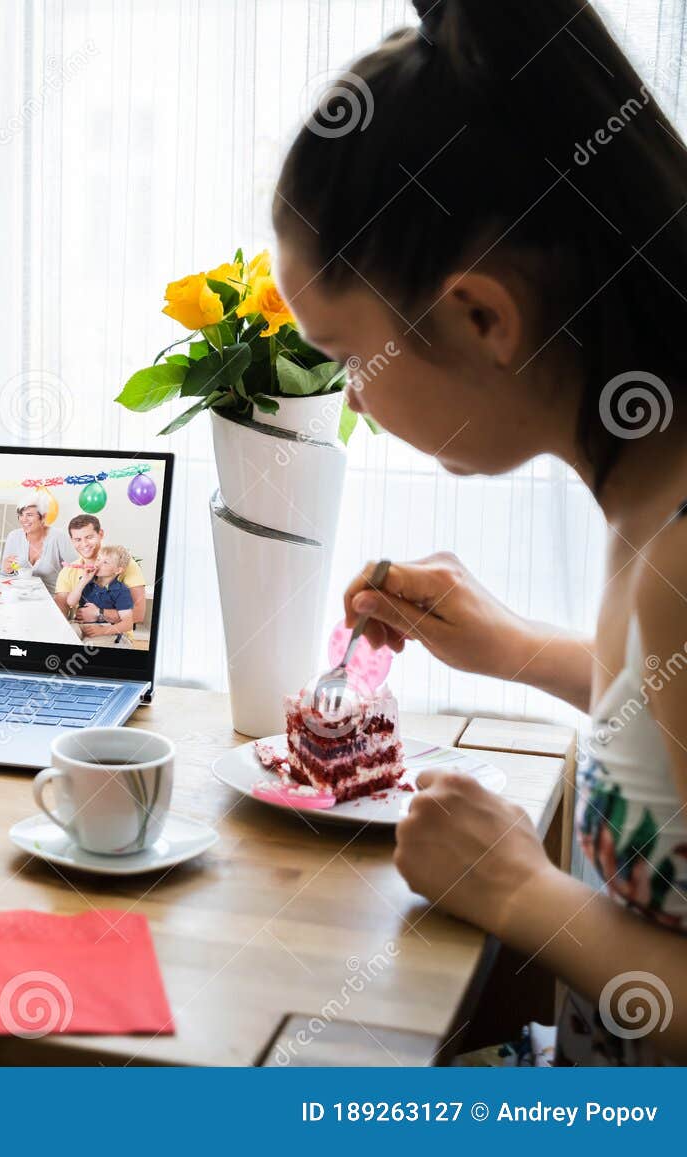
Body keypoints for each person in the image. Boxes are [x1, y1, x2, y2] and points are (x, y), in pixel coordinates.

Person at [273, 0, 687, 1062]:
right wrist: (514, 648)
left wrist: (512, 885)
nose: (353, 405)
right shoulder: (652, 479)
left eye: (344, 353)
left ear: (480, 317)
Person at [53, 514, 147, 639]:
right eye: (78, 539)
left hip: (113, 634)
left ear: (100, 534)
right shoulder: (69, 572)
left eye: (89, 537)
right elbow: (63, 609)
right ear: (72, 541)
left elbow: (138, 615)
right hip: (81, 630)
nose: (84, 544)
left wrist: (99, 614)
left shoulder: (126, 566)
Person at [64, 544, 135, 645]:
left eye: (105, 562)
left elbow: (127, 624)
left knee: (91, 644)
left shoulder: (121, 591)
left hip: (105, 630)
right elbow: (70, 602)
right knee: (65, 635)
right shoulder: (86, 581)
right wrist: (84, 581)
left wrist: (102, 630)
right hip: (80, 625)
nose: (98, 564)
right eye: (98, 559)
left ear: (118, 570)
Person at [0, 503, 73, 589]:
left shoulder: (59, 537)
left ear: (43, 517)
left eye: (29, 515)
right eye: (21, 515)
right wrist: (7, 571)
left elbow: (76, 571)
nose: (23, 519)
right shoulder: (14, 536)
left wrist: (64, 596)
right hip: (19, 594)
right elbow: (4, 575)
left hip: (52, 597)